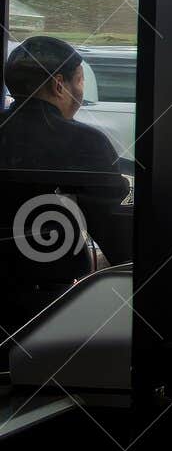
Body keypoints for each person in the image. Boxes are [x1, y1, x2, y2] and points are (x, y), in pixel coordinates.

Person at [0, 36, 132, 344]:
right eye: (80, 81)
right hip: (46, 309)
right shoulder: (85, 143)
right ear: (59, 85)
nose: (80, 93)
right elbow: (118, 239)